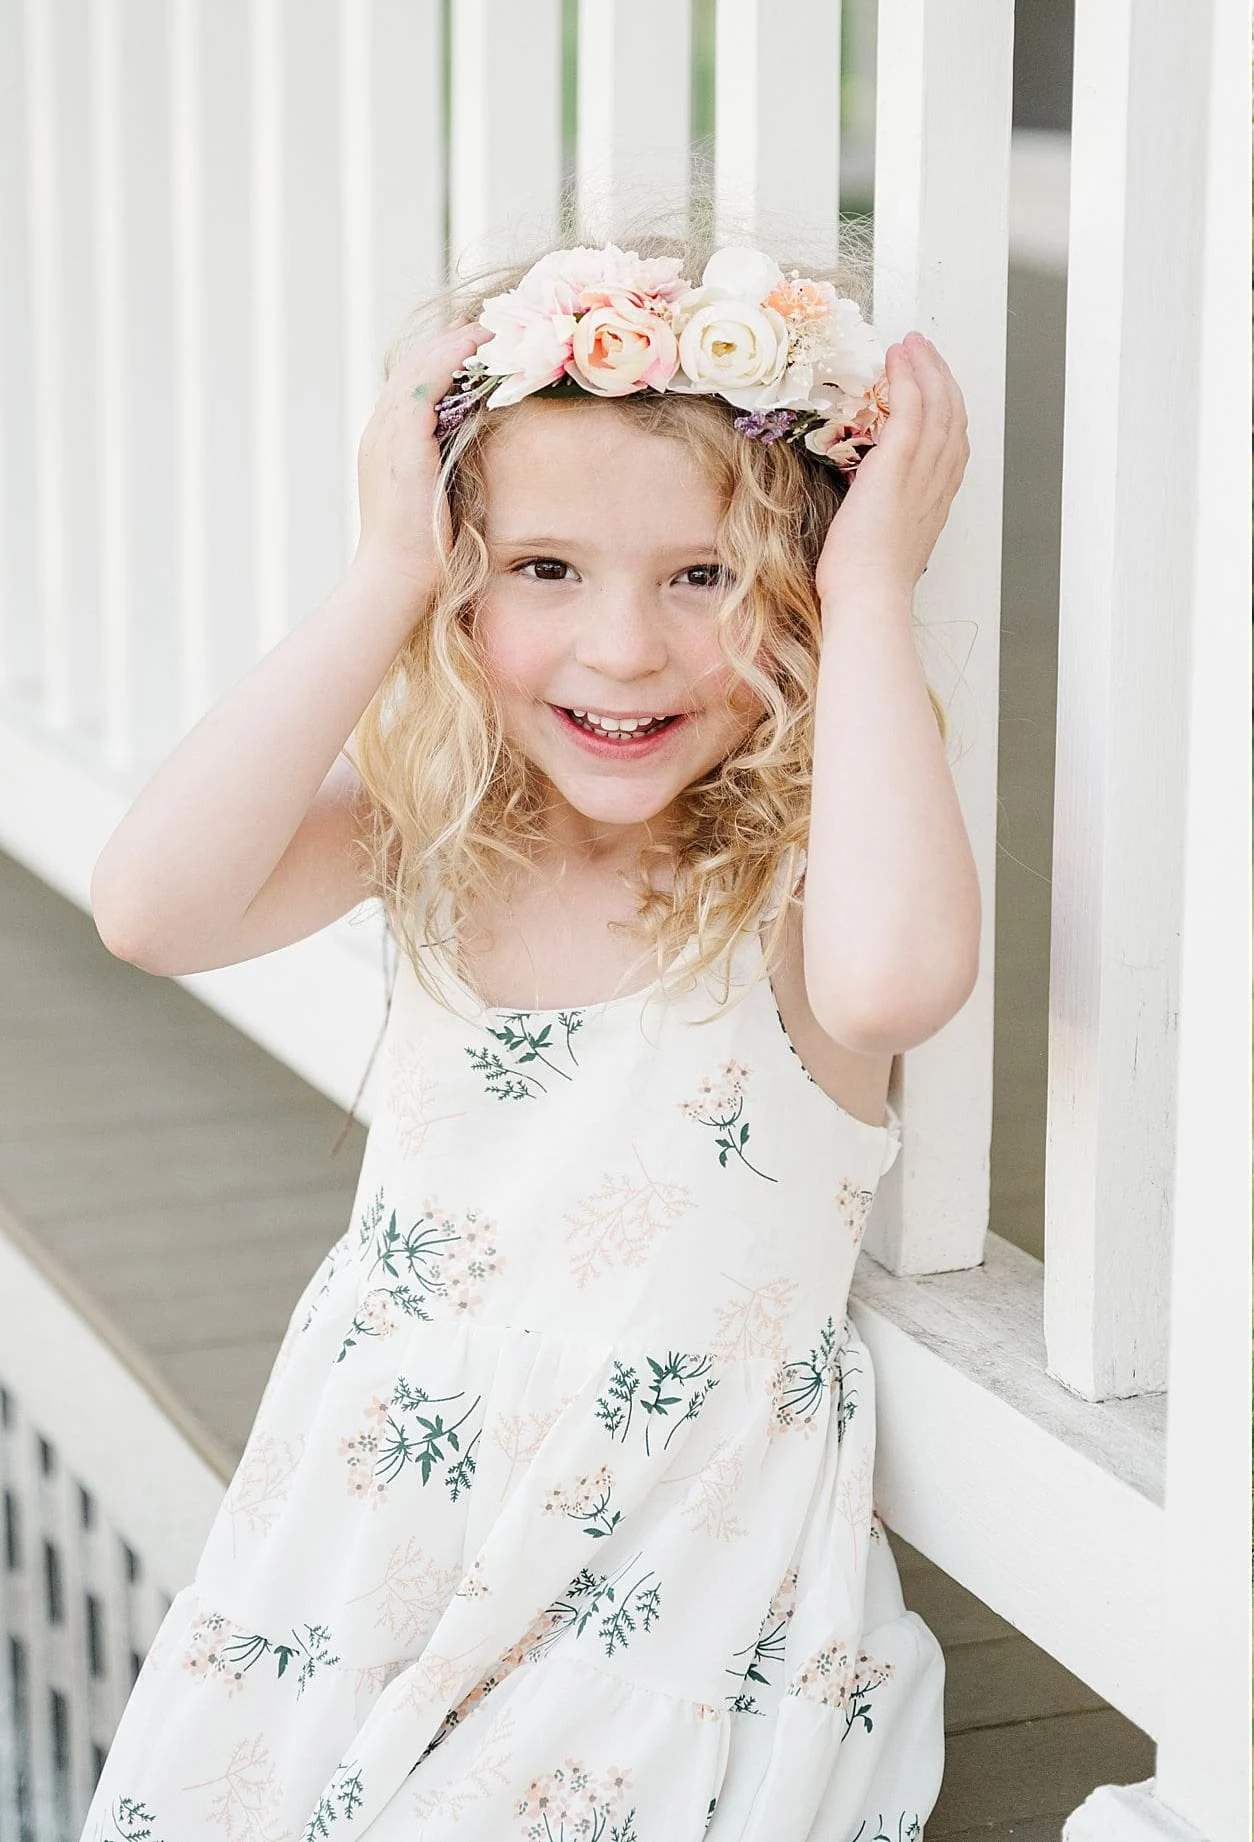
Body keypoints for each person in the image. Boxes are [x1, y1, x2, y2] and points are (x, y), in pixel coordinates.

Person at [83, 240, 967, 1836]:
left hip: (653, 1569)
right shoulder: (443, 827)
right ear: (462, 575)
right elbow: (152, 910)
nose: (621, 648)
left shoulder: (797, 874)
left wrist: (878, 590)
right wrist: (381, 574)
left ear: (799, 588)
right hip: (368, 1544)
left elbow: (899, 986)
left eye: (703, 577)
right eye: (544, 570)